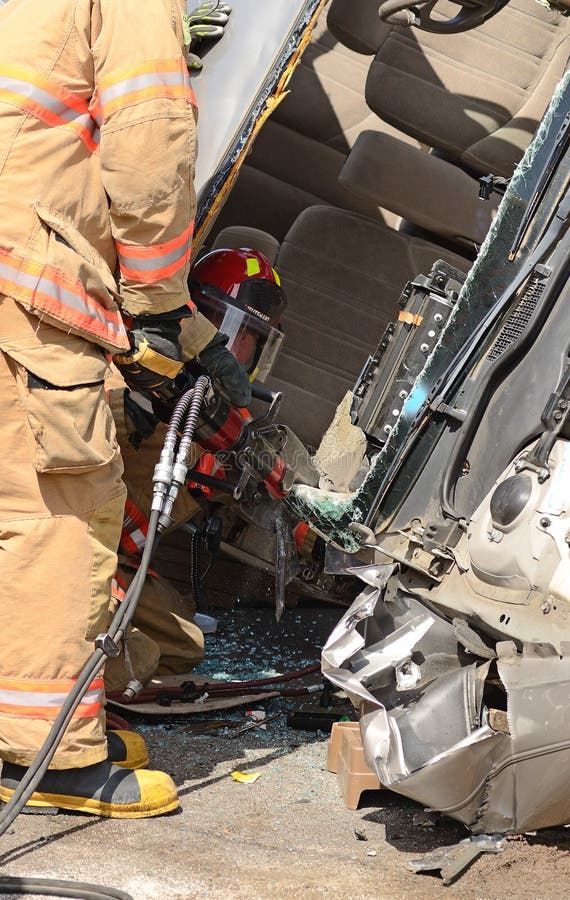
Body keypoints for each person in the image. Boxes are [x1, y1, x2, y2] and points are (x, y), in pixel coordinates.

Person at [0, 0, 249, 818]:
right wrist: (157, 307)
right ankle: (48, 759)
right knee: (55, 514)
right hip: (24, 292)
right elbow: (148, 149)